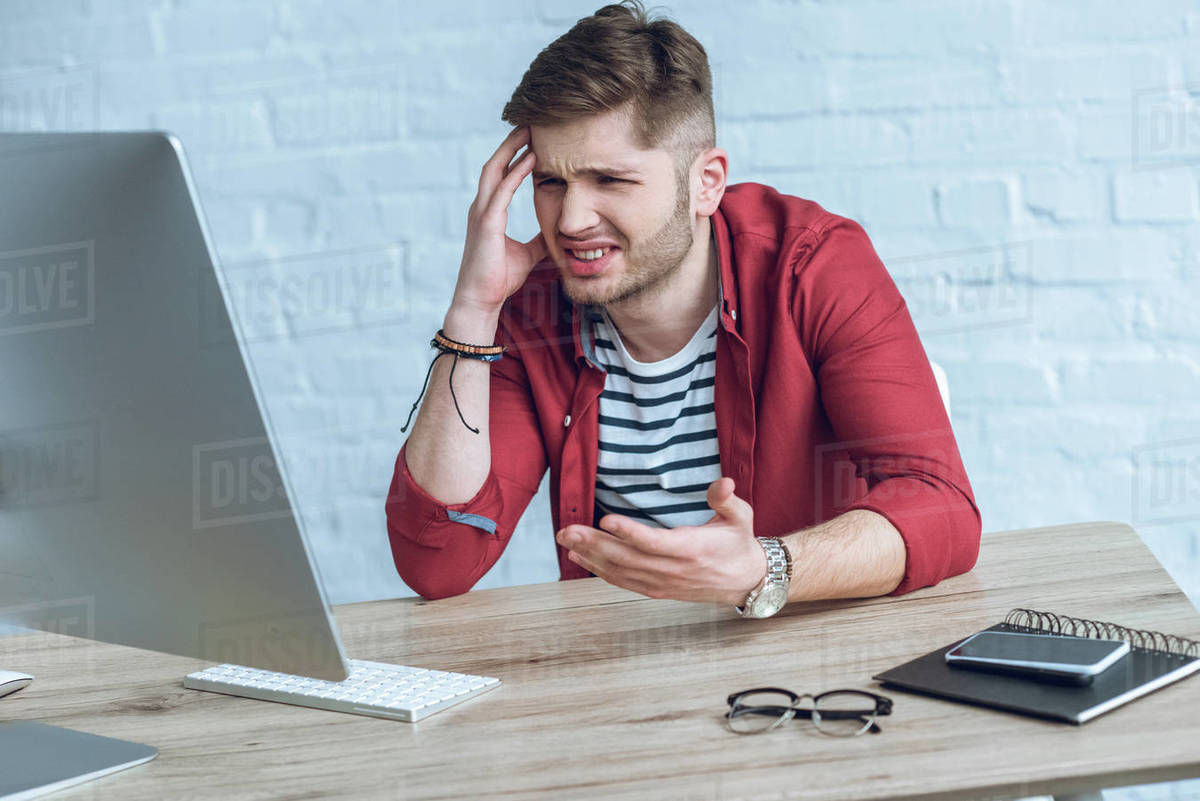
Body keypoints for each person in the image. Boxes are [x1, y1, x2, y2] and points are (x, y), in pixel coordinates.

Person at [385, 0, 981, 614]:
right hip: (617, 676)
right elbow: (437, 560)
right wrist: (472, 310)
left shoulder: (812, 265)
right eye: (551, 182)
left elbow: (941, 508)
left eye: (610, 180)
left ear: (707, 183)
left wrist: (765, 568)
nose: (571, 220)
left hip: (796, 663)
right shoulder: (531, 304)